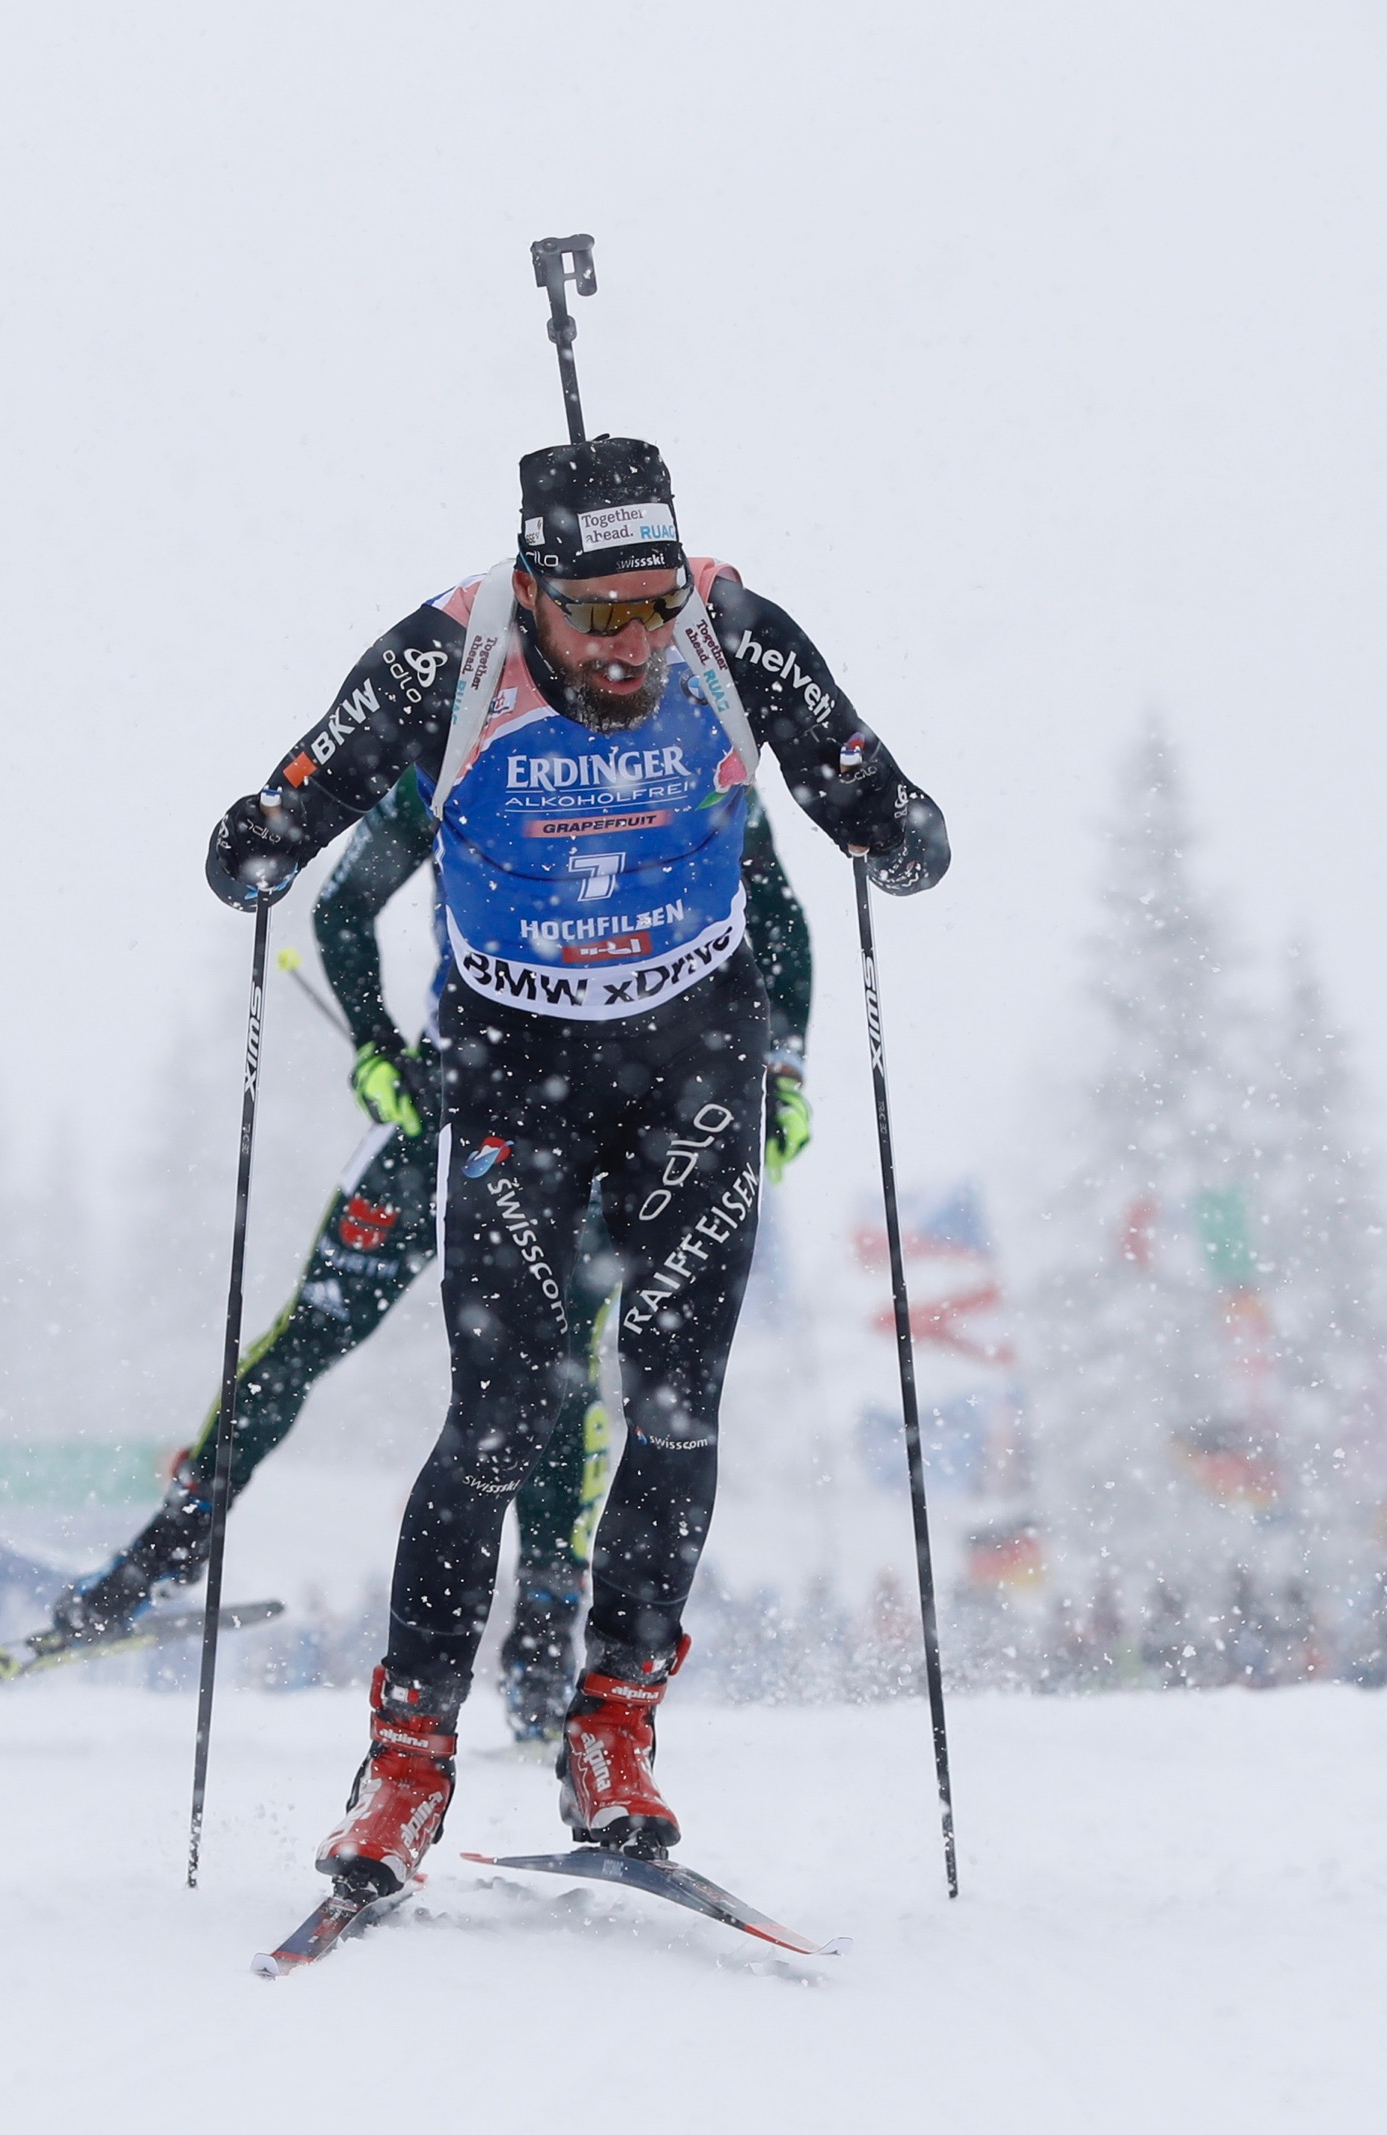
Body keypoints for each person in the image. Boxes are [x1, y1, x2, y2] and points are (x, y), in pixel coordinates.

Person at [205, 435, 946, 1898]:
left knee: (674, 1408)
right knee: (499, 1419)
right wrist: (259, 849)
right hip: (514, 1072)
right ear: (532, 589)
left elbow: (878, 803)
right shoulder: (444, 658)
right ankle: (405, 1765)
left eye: (654, 604)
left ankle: (612, 1729)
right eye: (598, 614)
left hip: (694, 1064)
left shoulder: (732, 632)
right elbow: (281, 817)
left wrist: (897, 835)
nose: (634, 643)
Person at [52, 768, 822, 1743]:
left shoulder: (681, 749)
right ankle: (170, 1547)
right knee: (314, 1334)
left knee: (560, 1371)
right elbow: (342, 906)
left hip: (607, 1123)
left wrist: (780, 1067)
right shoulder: (466, 749)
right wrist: (378, 1046)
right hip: (463, 1105)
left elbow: (776, 913)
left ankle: (543, 1631)